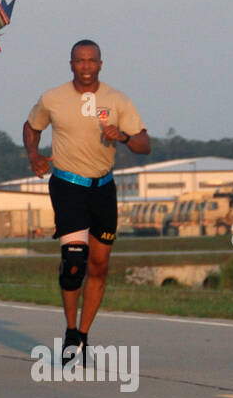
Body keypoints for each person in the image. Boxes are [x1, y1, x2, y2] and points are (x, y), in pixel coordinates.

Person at [23, 39, 149, 364]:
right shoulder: (53, 98)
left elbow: (144, 143)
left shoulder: (117, 100)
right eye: (80, 61)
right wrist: (34, 154)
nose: (86, 67)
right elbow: (31, 126)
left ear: (101, 64)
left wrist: (122, 136)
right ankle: (69, 331)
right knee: (75, 262)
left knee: (99, 265)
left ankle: (84, 334)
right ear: (71, 64)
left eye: (92, 61)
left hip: (103, 188)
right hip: (67, 185)